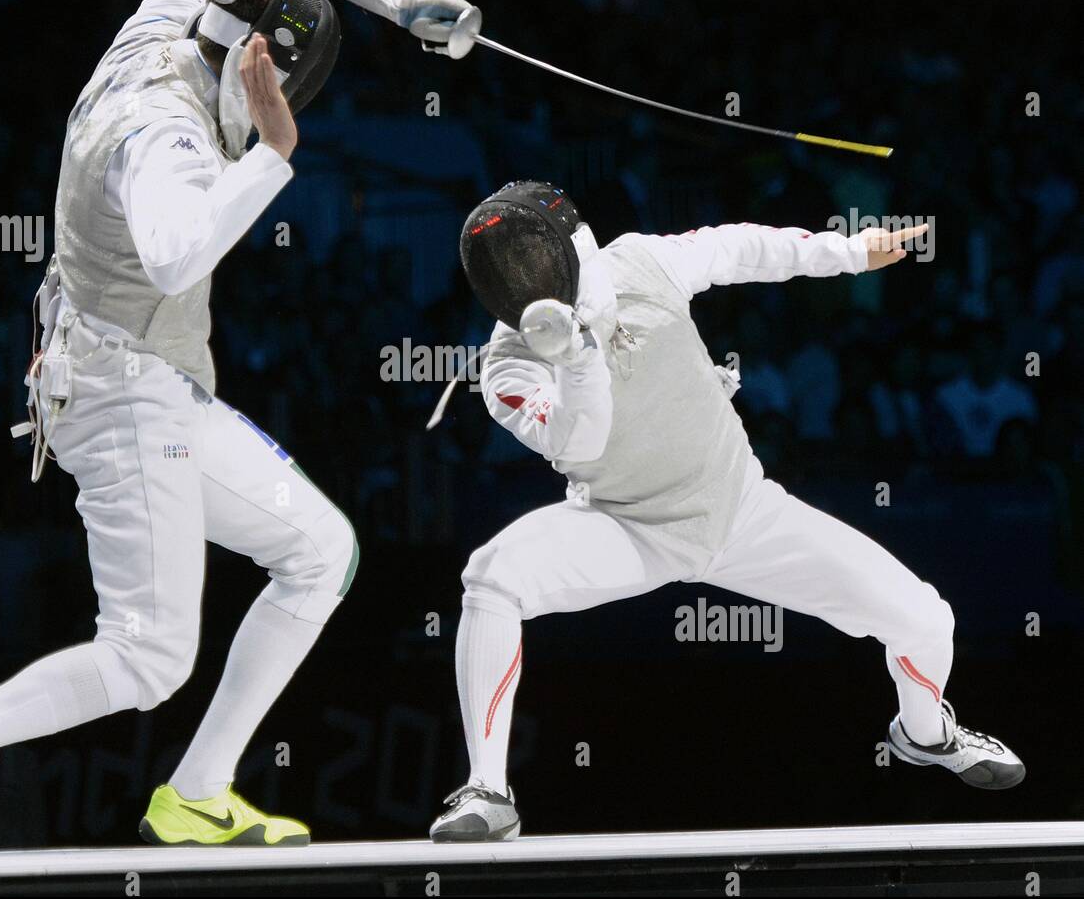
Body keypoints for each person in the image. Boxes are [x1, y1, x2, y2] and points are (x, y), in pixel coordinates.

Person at [0, 0, 474, 856]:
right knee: (148, 656)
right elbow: (176, 256)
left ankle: (199, 794)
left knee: (319, 551)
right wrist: (274, 150)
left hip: (150, 378)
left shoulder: (170, 18)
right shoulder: (165, 133)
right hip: (120, 394)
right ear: (255, 72)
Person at [430, 181, 1025, 843]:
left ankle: (926, 733)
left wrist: (849, 253)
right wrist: (574, 358)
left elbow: (740, 248)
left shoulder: (643, 262)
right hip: (626, 525)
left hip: (742, 510)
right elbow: (584, 441)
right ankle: (488, 790)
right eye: (507, 269)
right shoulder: (508, 369)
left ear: (570, 243)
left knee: (925, 619)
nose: (524, 276)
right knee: (493, 576)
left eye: (530, 256)